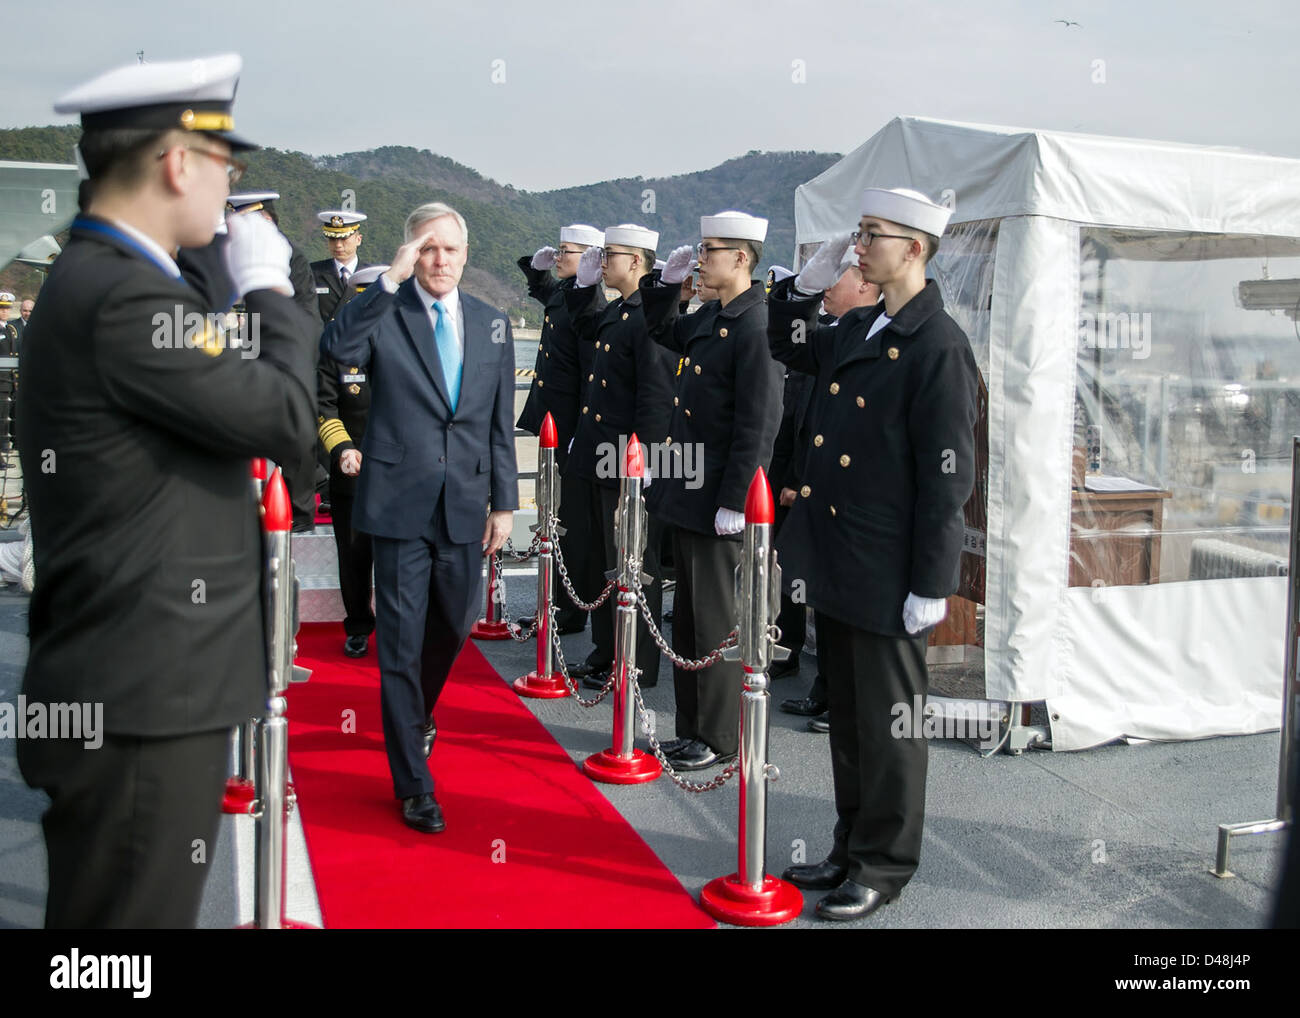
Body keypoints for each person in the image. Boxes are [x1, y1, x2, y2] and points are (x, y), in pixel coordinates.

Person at [16, 53, 317, 928]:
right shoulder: (124, 301)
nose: (231, 192)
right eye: (226, 167)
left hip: (134, 679)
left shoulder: (108, 281)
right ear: (178, 162)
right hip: (144, 694)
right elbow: (288, 417)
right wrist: (267, 286)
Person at [768, 187, 977, 921]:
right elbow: (786, 341)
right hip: (839, 558)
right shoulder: (862, 327)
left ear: (914, 247)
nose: (858, 247)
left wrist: (932, 581)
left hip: (889, 570)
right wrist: (801, 287)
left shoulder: (937, 343)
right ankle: (849, 843)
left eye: (870, 235)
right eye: (857, 233)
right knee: (852, 720)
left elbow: (948, 474)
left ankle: (883, 866)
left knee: (892, 727)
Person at [321, 201, 518, 834]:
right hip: (398, 506)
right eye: (427, 249)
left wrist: (506, 504)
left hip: (465, 504)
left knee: (452, 627)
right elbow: (336, 347)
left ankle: (416, 714)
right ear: (411, 253)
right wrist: (387, 282)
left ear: (466, 256)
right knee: (400, 645)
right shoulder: (385, 314)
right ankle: (413, 783)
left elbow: (495, 424)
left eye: (450, 250)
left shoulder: (491, 323)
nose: (440, 261)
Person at [640, 210, 782, 770]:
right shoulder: (715, 317)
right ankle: (692, 727)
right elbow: (659, 330)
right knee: (692, 619)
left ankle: (720, 736)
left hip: (719, 500)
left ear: (742, 258)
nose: (700, 260)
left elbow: (758, 422)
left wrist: (735, 500)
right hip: (689, 492)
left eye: (709, 251)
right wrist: (667, 285)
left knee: (719, 621)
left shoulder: (756, 324)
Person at [563, 224, 674, 692]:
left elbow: (657, 393)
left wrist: (646, 461)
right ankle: (606, 648)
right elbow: (584, 325)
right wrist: (584, 285)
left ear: (637, 262)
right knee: (606, 560)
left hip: (626, 461)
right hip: (598, 453)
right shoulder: (621, 311)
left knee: (632, 562)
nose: (603, 262)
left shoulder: (650, 316)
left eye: (611, 255)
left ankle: (636, 660)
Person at [773, 256, 882, 732]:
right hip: (811, 486)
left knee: (842, 607)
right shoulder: (837, 334)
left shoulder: (887, 341)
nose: (827, 289)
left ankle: (840, 700)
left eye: (834, 278)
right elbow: (796, 418)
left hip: (849, 503)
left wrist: (803, 482)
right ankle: (825, 692)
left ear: (863, 284)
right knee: (812, 591)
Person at [514, 225, 606, 638]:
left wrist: (579, 432)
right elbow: (544, 288)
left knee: (569, 525)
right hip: (552, 426)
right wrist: (536, 269)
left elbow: (592, 376)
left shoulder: (591, 303)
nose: (559, 257)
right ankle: (554, 605)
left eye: (567, 252)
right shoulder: (565, 294)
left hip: (570, 428)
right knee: (551, 519)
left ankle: (569, 611)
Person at [317, 263, 388, 657]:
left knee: (398, 556)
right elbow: (323, 406)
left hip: (399, 472)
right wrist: (342, 448)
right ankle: (359, 623)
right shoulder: (336, 348)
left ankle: (399, 627)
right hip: (353, 471)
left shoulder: (406, 346)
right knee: (355, 555)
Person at [311, 210, 369, 323]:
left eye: (343, 239)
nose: (338, 245)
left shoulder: (371, 275)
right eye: (332, 239)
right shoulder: (312, 273)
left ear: (358, 239)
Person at [0, 293, 18, 465]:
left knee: (5, 418)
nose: (5, 312)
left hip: (9, 381)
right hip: (0, 382)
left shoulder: (9, 329)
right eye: (2, 308)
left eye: (7, 308)